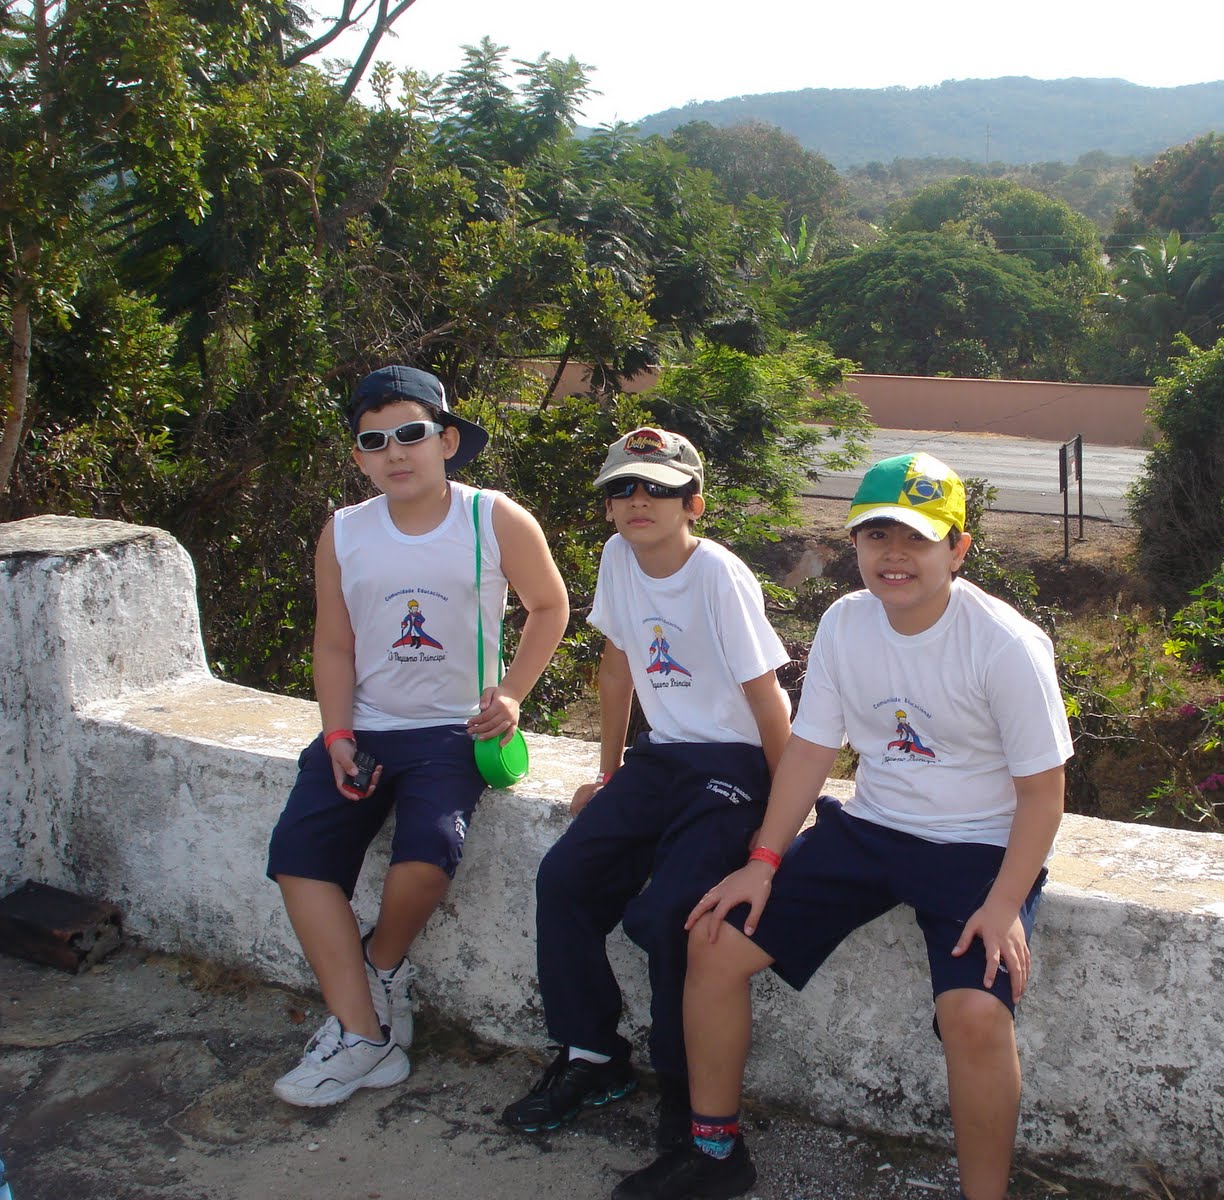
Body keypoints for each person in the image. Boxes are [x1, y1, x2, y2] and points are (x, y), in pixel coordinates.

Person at [613, 452, 1073, 1200]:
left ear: (957, 548)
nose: (894, 556)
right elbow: (810, 752)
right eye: (876, 536)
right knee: (715, 942)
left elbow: (1044, 792)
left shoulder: (1004, 643)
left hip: (976, 850)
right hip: (869, 830)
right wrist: (763, 859)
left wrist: (1003, 903)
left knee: (975, 1014)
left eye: (917, 539)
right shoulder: (846, 622)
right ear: (854, 544)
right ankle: (714, 1151)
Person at [267, 364, 569, 1107]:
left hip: (451, 728)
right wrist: (336, 733)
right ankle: (364, 1035)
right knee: (301, 861)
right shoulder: (344, 532)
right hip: (366, 726)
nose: (395, 452)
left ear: (447, 440)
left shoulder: (491, 517)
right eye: (375, 441)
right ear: (359, 457)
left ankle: (379, 967)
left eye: (411, 433)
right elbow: (334, 644)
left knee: (429, 857)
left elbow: (549, 605)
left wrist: (514, 696)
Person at [501, 426, 792, 1155]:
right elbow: (616, 670)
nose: (639, 501)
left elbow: (769, 701)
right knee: (566, 877)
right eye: (623, 488)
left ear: (693, 503)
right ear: (607, 507)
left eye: (659, 489)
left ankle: (687, 1094)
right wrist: (606, 775)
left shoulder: (718, 576)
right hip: (660, 759)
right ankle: (591, 1055)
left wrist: (784, 822)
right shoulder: (616, 558)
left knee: (669, 917)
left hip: (734, 765)